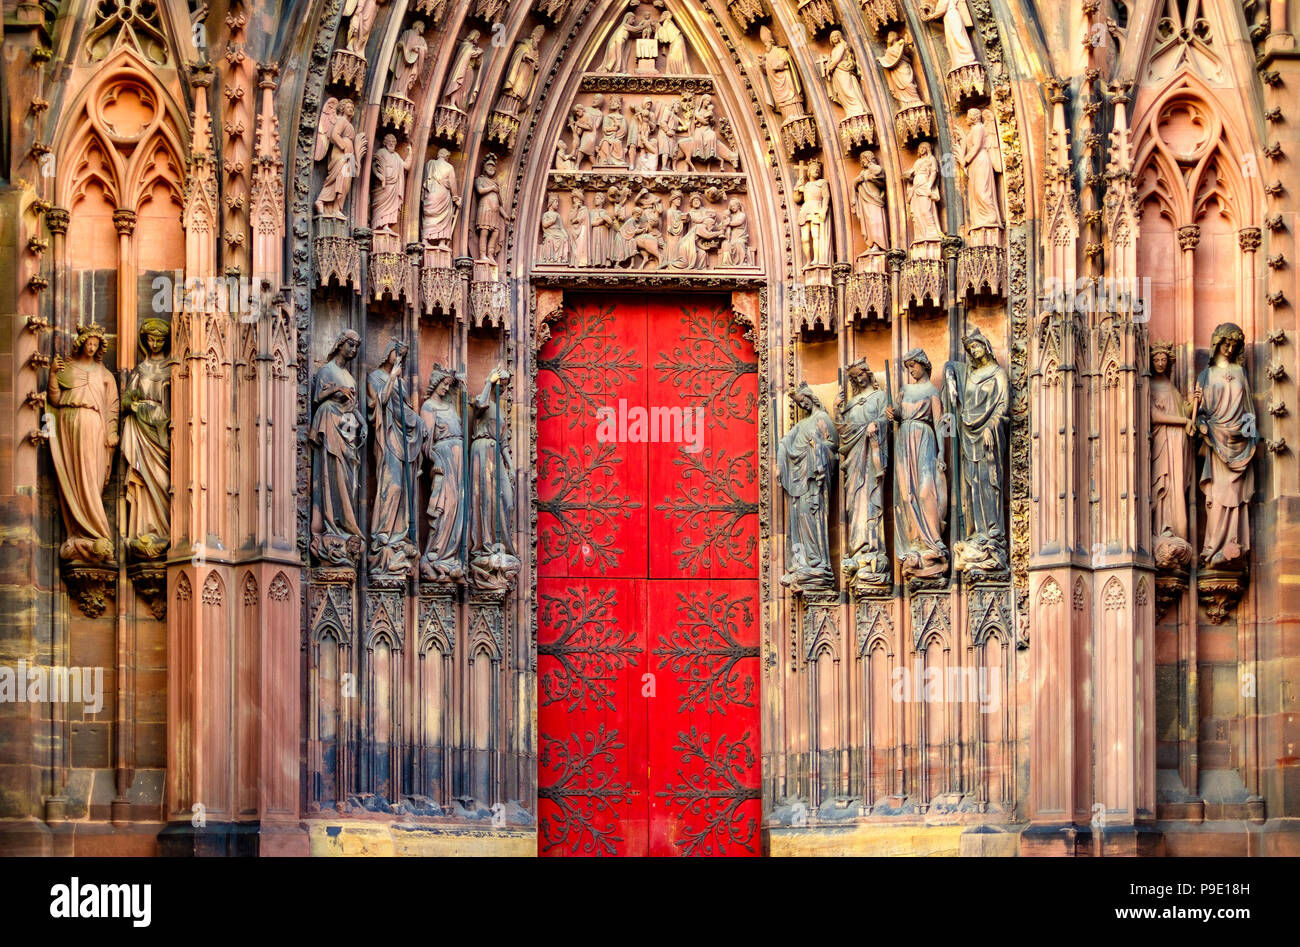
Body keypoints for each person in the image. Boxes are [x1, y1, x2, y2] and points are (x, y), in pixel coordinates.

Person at [47, 323, 119, 564]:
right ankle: (79, 531)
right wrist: (53, 376)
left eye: (96, 345)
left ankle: (96, 531)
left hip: (93, 427)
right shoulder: (67, 368)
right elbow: (55, 400)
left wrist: (111, 432)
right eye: (89, 343)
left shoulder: (105, 375)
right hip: (68, 423)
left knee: (91, 478)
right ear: (81, 344)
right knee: (74, 478)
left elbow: (112, 408)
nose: (91, 348)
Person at [1193, 322, 1257, 569]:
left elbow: (1249, 410)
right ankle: (1213, 548)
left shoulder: (1241, 373)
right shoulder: (1205, 376)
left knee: (1238, 498)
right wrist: (1201, 423)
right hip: (1216, 443)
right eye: (1225, 343)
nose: (1229, 349)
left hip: (1240, 444)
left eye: (1234, 345)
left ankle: (1234, 542)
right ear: (1216, 344)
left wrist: (1249, 435)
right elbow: (1200, 413)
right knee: (1217, 498)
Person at [885, 349, 948, 578]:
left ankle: (933, 541)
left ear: (923, 364)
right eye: (908, 367)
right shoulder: (904, 390)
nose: (911, 370)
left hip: (924, 439)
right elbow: (898, 412)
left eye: (913, 365)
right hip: (903, 440)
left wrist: (941, 453)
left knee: (925, 491)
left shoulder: (932, 391)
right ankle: (914, 542)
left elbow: (940, 423)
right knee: (906, 494)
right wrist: (893, 413)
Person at [367, 339, 424, 576]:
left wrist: (418, 423)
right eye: (397, 352)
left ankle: (398, 534)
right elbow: (379, 402)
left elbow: (407, 411)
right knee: (392, 486)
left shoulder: (400, 382)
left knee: (402, 490)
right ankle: (382, 536)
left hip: (402, 439)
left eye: (403, 353)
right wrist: (392, 378)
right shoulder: (375, 377)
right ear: (387, 352)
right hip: (387, 435)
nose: (399, 356)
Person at [310, 330, 365, 564]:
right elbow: (317, 397)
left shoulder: (350, 377)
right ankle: (331, 524)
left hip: (348, 425)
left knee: (349, 478)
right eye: (350, 345)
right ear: (340, 344)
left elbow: (354, 406)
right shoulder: (326, 370)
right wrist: (336, 391)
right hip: (330, 419)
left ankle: (345, 523)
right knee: (332, 473)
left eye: (356, 347)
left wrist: (362, 423)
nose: (353, 351)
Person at [121, 319, 173, 560]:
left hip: (160, 436)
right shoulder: (140, 371)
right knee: (142, 481)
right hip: (141, 434)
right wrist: (135, 406)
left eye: (159, 339)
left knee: (163, 483)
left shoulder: (172, 368)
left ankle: (163, 530)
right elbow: (125, 401)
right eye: (150, 339)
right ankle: (144, 528)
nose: (154, 344)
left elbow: (175, 410)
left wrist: (153, 412)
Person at [779, 384, 838, 592]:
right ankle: (801, 562)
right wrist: (781, 458)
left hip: (815, 483)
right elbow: (786, 443)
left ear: (811, 397)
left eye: (803, 399)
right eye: (798, 402)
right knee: (799, 519)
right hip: (799, 481)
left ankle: (817, 563)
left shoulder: (822, 419)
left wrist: (818, 450)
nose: (802, 404)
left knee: (811, 518)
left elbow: (833, 447)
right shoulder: (802, 424)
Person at [837, 359, 890, 583]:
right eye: (854, 377)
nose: (858, 379)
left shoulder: (879, 397)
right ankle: (858, 547)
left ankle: (872, 547)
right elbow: (844, 432)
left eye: (861, 374)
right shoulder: (850, 405)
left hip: (870, 457)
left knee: (870, 500)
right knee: (854, 503)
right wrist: (836, 409)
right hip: (855, 461)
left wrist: (877, 424)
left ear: (868, 374)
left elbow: (886, 420)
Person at [420, 366, 465, 582]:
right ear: (435, 383)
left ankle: (451, 554)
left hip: (458, 461)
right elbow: (426, 441)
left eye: (448, 385)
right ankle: (437, 551)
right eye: (443, 384)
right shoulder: (428, 407)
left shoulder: (450, 407)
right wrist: (435, 459)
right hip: (444, 459)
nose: (446, 388)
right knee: (446, 505)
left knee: (458, 505)